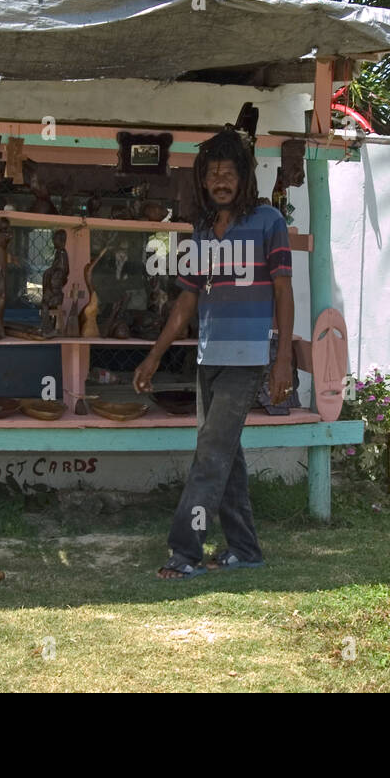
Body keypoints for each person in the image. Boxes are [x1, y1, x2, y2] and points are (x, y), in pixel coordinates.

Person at [133, 127, 294, 579]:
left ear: (245, 177)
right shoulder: (202, 230)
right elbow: (186, 300)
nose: (220, 181)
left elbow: (284, 291)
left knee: (209, 454)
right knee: (226, 455)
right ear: (203, 180)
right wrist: (154, 356)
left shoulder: (269, 221)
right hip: (208, 357)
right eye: (213, 174)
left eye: (229, 173)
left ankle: (184, 552)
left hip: (248, 359)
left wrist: (283, 358)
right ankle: (245, 549)